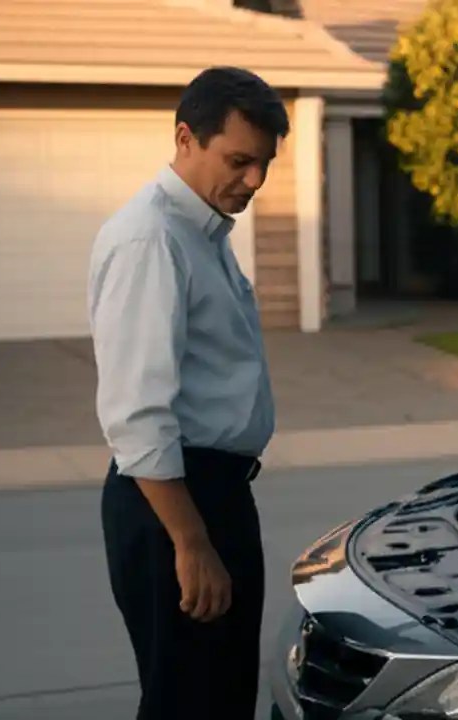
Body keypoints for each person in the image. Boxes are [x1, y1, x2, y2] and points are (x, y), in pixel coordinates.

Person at [87, 66, 286, 719]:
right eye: (238, 160)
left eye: (263, 164)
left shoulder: (202, 233)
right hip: (175, 505)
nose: (254, 180)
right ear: (185, 138)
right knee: (189, 704)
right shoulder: (153, 238)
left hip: (214, 497)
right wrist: (191, 541)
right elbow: (138, 416)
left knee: (222, 699)